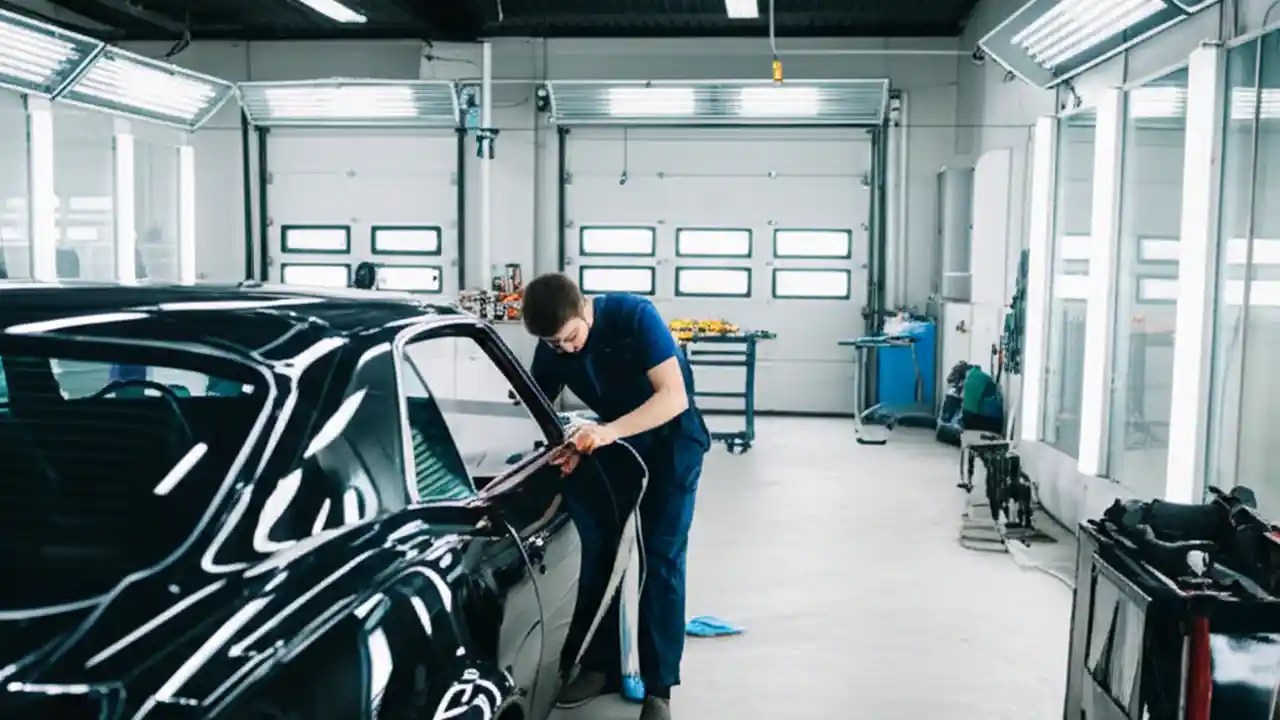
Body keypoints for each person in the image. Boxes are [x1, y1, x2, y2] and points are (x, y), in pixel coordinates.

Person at [521, 273, 709, 720]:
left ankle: (659, 687)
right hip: (615, 447)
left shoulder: (633, 316)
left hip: (672, 443)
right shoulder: (552, 345)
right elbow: (535, 411)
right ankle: (600, 665)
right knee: (599, 553)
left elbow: (673, 397)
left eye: (570, 338)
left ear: (585, 310)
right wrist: (558, 448)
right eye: (554, 345)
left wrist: (605, 432)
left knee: (661, 558)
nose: (565, 349)